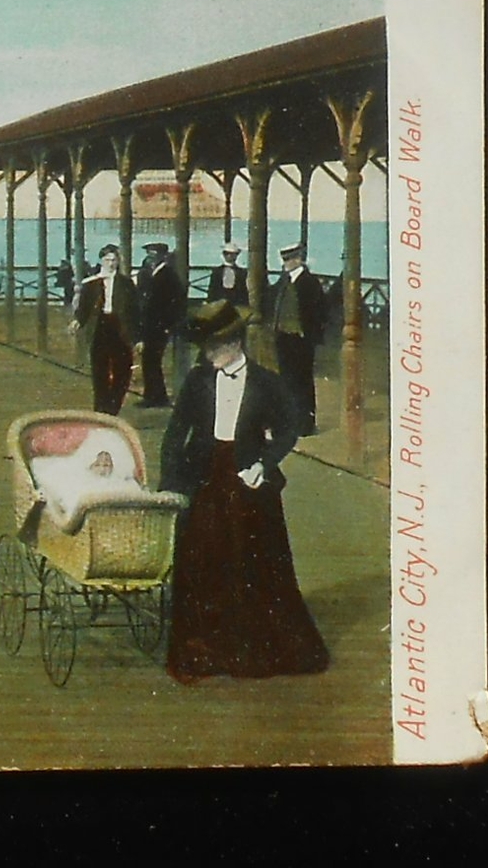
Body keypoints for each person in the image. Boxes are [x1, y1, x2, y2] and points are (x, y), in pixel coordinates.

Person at [159, 299, 329, 683]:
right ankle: (204, 649)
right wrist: (170, 483)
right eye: (205, 348)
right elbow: (175, 432)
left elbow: (289, 427)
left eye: (213, 348)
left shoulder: (268, 382)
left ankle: (248, 648)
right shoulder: (198, 379)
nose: (207, 355)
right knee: (199, 556)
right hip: (203, 474)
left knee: (251, 559)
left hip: (247, 474)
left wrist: (263, 465)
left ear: (235, 344)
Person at [68, 243, 138, 415]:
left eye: (114, 260)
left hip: (119, 327)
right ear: (101, 261)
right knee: (99, 369)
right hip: (100, 327)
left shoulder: (126, 283)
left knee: (122, 369)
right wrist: (77, 321)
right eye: (107, 260)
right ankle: (100, 408)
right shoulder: (91, 284)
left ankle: (113, 407)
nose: (111, 263)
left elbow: (135, 310)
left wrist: (137, 337)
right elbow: (83, 308)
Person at [269, 241, 326, 436]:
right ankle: (289, 422)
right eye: (284, 259)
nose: (285, 262)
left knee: (302, 381)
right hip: (283, 337)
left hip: (301, 340)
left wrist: (309, 335)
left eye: (289, 259)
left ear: (299, 259)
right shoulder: (284, 280)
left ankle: (305, 425)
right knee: (286, 381)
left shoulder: (309, 282)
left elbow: (318, 312)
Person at [136, 241, 186, 408]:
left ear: (163, 256)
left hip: (159, 326)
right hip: (151, 325)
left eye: (154, 255)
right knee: (149, 360)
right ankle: (154, 394)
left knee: (152, 360)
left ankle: (155, 397)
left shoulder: (168, 275)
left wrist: (168, 325)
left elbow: (176, 303)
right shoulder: (152, 273)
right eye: (149, 254)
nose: (151, 258)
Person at [206, 241, 250, 307]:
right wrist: (209, 302)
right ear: (224, 255)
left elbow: (243, 290)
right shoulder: (217, 271)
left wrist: (245, 305)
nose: (230, 256)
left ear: (236, 256)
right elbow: (212, 288)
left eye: (233, 254)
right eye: (227, 253)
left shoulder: (241, 272)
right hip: (219, 303)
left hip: (236, 303)